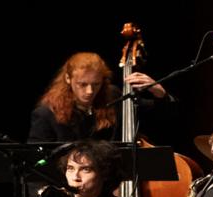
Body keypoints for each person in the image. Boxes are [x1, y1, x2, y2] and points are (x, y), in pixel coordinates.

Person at [28, 52, 167, 142]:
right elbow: (38, 163)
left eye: (96, 84)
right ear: (68, 78)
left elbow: (161, 115)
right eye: (82, 84)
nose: (90, 91)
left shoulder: (113, 96)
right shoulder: (46, 113)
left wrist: (160, 93)